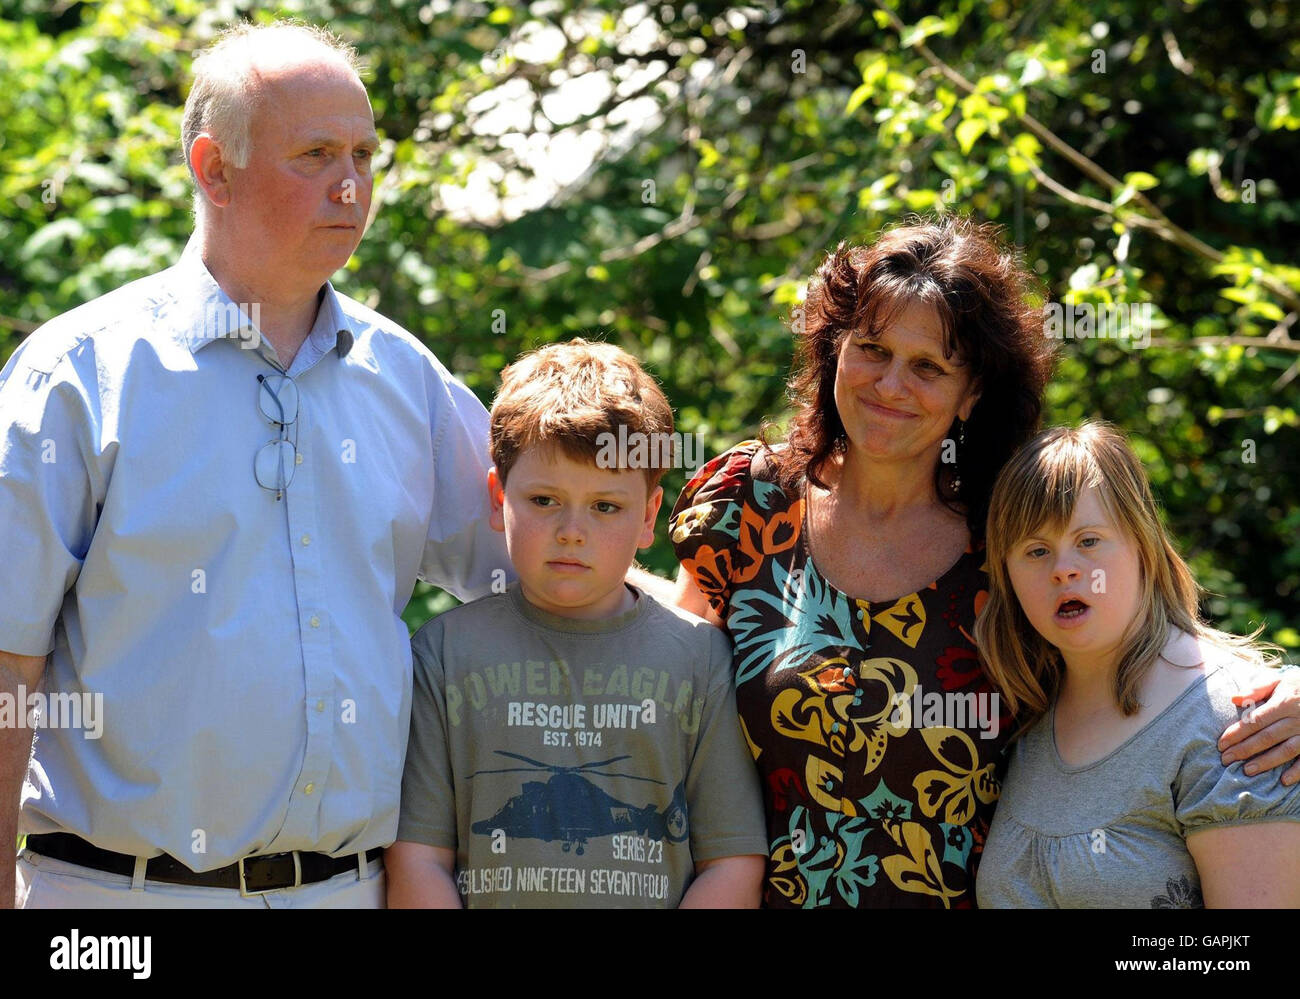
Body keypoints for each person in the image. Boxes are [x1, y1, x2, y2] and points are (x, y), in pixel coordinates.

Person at [0, 22, 509, 908]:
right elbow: (8, 663)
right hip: (115, 908)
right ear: (212, 168)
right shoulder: (78, 375)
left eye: (363, 154)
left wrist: (730, 587)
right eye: (314, 154)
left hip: (350, 893)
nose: (351, 185)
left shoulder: (406, 378)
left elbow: (543, 569)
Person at [666, 215, 1300, 908]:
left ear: (971, 393)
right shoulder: (745, 509)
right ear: (833, 349)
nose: (891, 384)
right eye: (872, 348)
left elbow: (1133, 620)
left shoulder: (1008, 529)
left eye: (929, 365)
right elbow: (660, 663)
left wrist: (1276, 687)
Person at [386, 340, 767, 908]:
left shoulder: (701, 659)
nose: (572, 530)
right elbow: (417, 858)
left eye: (605, 507)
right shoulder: (441, 654)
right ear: (498, 498)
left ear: (647, 517)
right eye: (544, 500)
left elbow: (733, 860)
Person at [974, 422, 1300, 907]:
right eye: (1036, 551)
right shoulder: (1022, 718)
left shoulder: (1238, 720)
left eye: (1088, 540)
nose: (1063, 569)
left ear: (1143, 546)